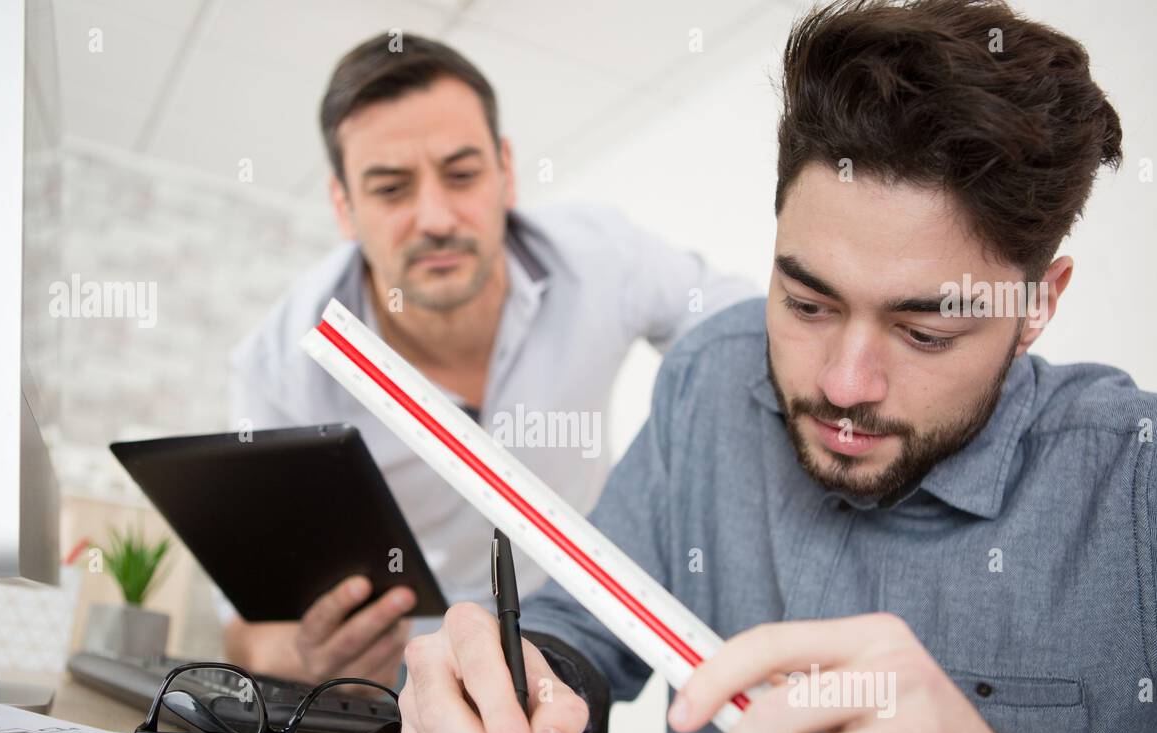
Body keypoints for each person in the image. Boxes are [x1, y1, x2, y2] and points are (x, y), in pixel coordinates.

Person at [394, 0, 1157, 733]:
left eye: (925, 332)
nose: (842, 386)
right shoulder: (712, 376)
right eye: (807, 304)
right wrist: (513, 684)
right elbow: (585, 629)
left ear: (1039, 303)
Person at [220, 34, 756, 686]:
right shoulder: (281, 368)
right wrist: (298, 654)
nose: (436, 217)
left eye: (463, 174)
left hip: (568, 660)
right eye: (391, 189)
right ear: (344, 207)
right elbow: (248, 626)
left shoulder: (605, 256)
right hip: (394, 697)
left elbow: (750, 335)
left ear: (506, 170)